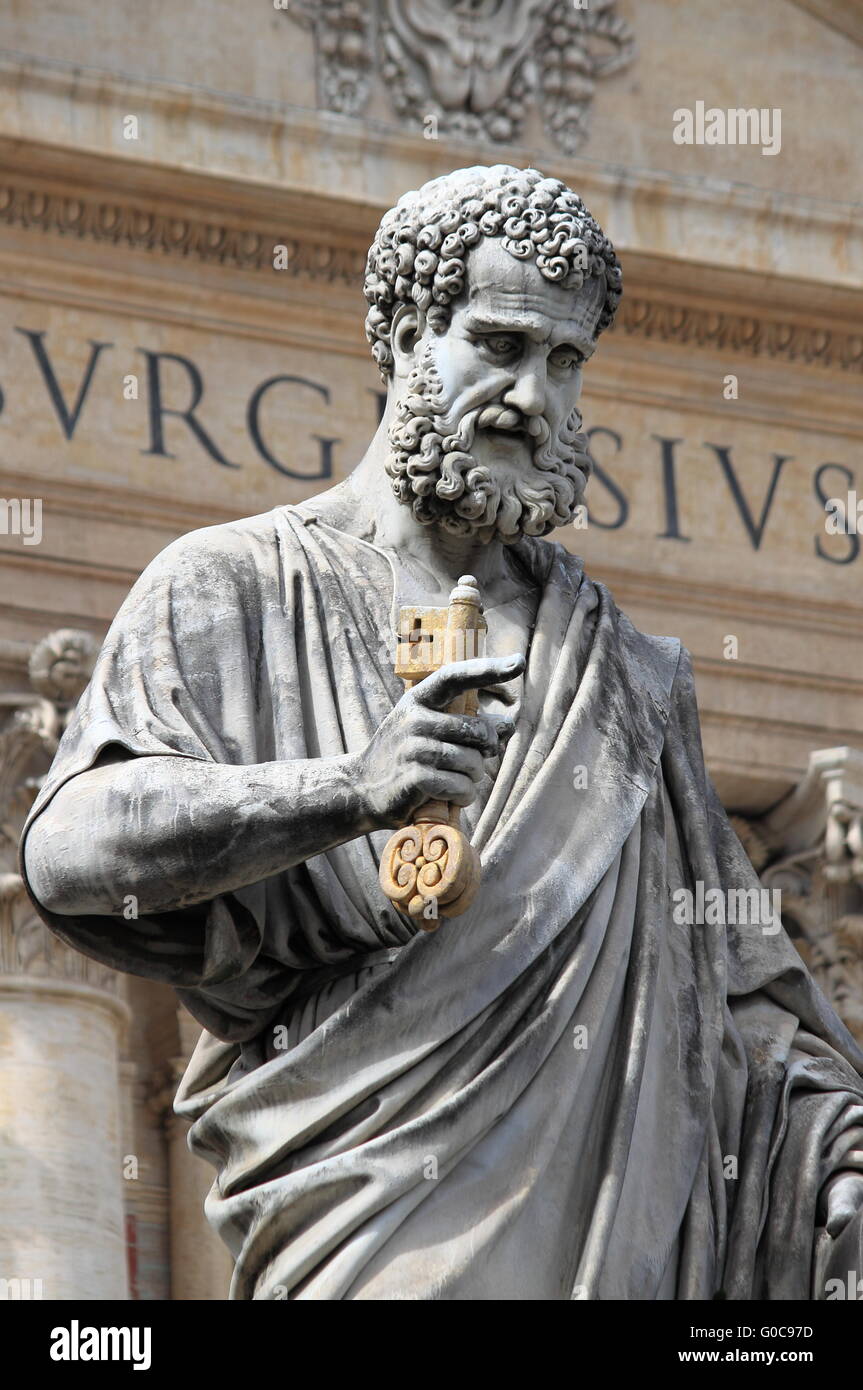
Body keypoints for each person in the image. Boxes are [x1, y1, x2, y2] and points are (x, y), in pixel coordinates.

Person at [21, 165, 863, 1300]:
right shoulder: (231, 585)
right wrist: (345, 788)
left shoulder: (622, 673)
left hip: (623, 1249)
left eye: (566, 362)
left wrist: (830, 1154)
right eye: (501, 344)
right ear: (404, 336)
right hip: (368, 1235)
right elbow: (70, 851)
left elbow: (740, 1002)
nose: (535, 396)